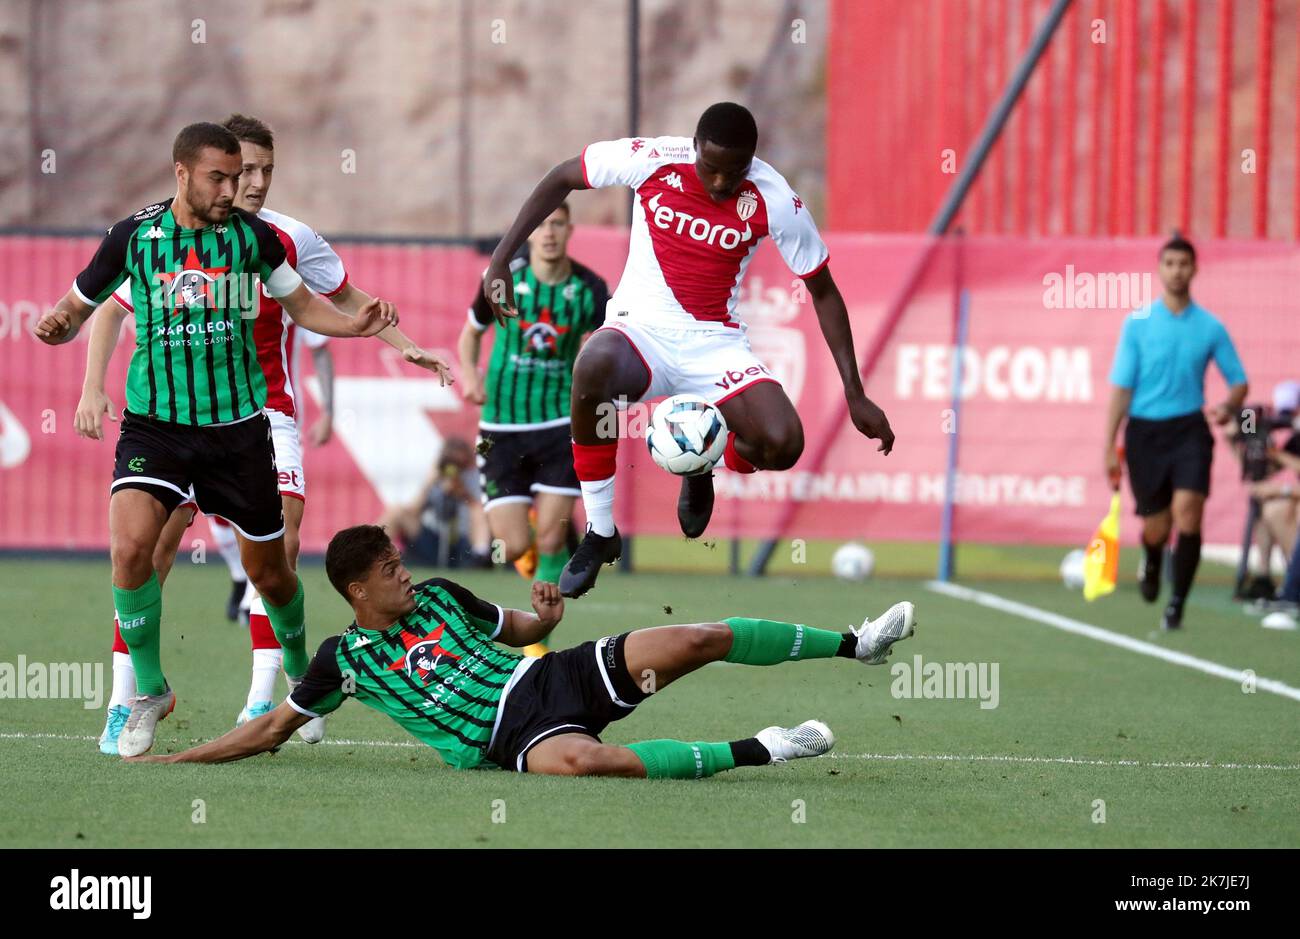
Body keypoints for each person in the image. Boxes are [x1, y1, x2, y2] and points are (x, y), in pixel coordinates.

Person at [36, 121, 414, 757]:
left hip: (238, 432)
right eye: (219, 177)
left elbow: (303, 307)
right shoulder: (134, 237)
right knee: (131, 550)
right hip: (154, 428)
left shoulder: (255, 240)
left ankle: (299, 669)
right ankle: (149, 689)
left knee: (271, 573)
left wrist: (354, 326)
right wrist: (59, 326)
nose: (232, 189)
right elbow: (80, 303)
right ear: (181, 174)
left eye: (237, 176)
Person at [482, 102, 895, 599]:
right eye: (711, 167)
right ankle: (600, 532)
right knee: (592, 367)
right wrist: (502, 259)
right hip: (642, 331)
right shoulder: (653, 158)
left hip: (714, 345)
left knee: (783, 444)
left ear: (752, 161)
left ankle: (703, 462)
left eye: (733, 171)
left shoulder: (775, 199)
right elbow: (563, 175)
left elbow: (823, 290)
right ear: (695, 146)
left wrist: (855, 393)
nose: (720, 182)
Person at [125, 525, 917, 778]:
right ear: (357, 591)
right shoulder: (344, 659)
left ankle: (858, 643)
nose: (406, 575)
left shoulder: (440, 594)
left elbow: (522, 632)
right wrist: (180, 759)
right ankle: (767, 748)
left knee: (699, 637)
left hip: (556, 676)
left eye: (402, 564)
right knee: (583, 766)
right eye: (390, 571)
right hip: (511, 739)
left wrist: (544, 611)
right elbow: (268, 730)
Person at [459, 202, 607, 616]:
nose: (549, 233)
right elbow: (469, 335)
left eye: (557, 224)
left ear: (569, 229)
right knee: (513, 545)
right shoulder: (502, 280)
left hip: (560, 423)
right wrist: (470, 376)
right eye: (541, 225)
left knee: (550, 539)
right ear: (530, 232)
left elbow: (602, 346)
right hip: (500, 427)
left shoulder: (591, 288)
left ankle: (541, 630)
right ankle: (530, 570)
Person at [1103, 235, 1248, 630]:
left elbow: (1238, 381)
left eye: (1184, 263)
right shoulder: (1137, 325)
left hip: (1189, 430)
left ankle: (1177, 603)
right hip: (1145, 433)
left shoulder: (1210, 327)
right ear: (1159, 268)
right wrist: (1107, 447)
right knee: (1158, 525)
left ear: (1195, 269)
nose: (1177, 270)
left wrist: (1229, 406)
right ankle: (1152, 558)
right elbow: (1121, 389)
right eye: (1169, 263)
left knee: (1189, 512)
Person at [377, 437, 492, 570]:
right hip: (433, 539)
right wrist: (429, 483)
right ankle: (369, 554)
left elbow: (480, 508)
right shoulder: (436, 476)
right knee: (396, 511)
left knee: (479, 510)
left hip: (464, 541)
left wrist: (463, 493)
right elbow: (414, 510)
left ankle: (480, 557)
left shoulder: (475, 476)